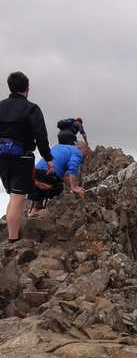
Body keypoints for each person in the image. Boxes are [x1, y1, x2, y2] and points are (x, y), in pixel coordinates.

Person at [0, 72, 53, 243]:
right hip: (21, 157)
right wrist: (48, 158)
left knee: (11, 196)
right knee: (17, 197)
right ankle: (13, 239)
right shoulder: (31, 108)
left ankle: (11, 233)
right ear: (27, 88)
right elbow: (41, 135)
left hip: (1, 156)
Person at [28, 139, 90, 216]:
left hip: (35, 174)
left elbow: (64, 176)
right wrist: (75, 187)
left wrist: (72, 187)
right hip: (48, 175)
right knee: (59, 189)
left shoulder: (60, 147)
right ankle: (50, 214)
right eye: (86, 151)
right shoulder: (77, 153)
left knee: (37, 200)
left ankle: (33, 216)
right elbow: (72, 169)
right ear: (82, 149)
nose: (86, 155)